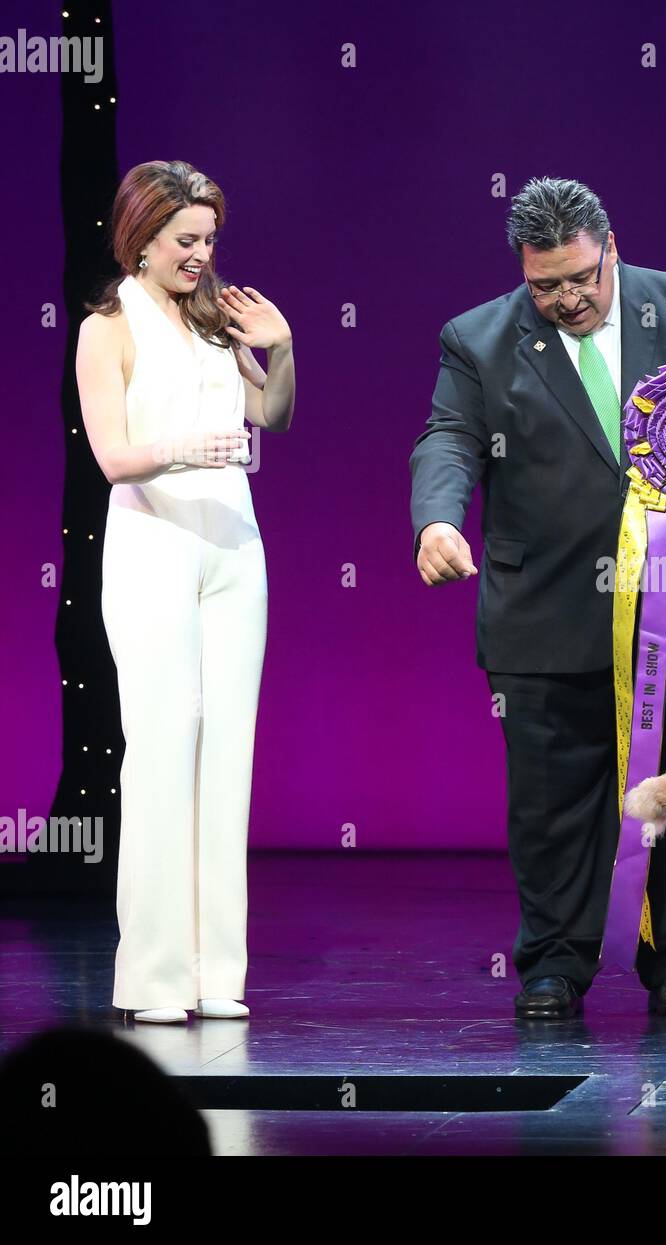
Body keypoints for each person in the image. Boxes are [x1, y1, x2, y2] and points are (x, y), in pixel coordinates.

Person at [410, 177, 666, 1018]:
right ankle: (555, 963)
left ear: (610, 248)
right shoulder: (477, 338)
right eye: (544, 284)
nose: (565, 298)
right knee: (552, 807)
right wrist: (436, 522)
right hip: (543, 612)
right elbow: (448, 439)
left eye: (581, 278)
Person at [76, 160, 295, 1023]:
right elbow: (112, 457)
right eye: (185, 240)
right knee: (164, 750)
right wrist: (192, 450)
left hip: (234, 549)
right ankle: (157, 978)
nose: (201, 255)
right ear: (143, 235)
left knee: (226, 756)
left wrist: (281, 347)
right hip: (155, 541)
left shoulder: (214, 318)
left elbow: (272, 415)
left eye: (209, 239)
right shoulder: (108, 326)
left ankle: (216, 975)